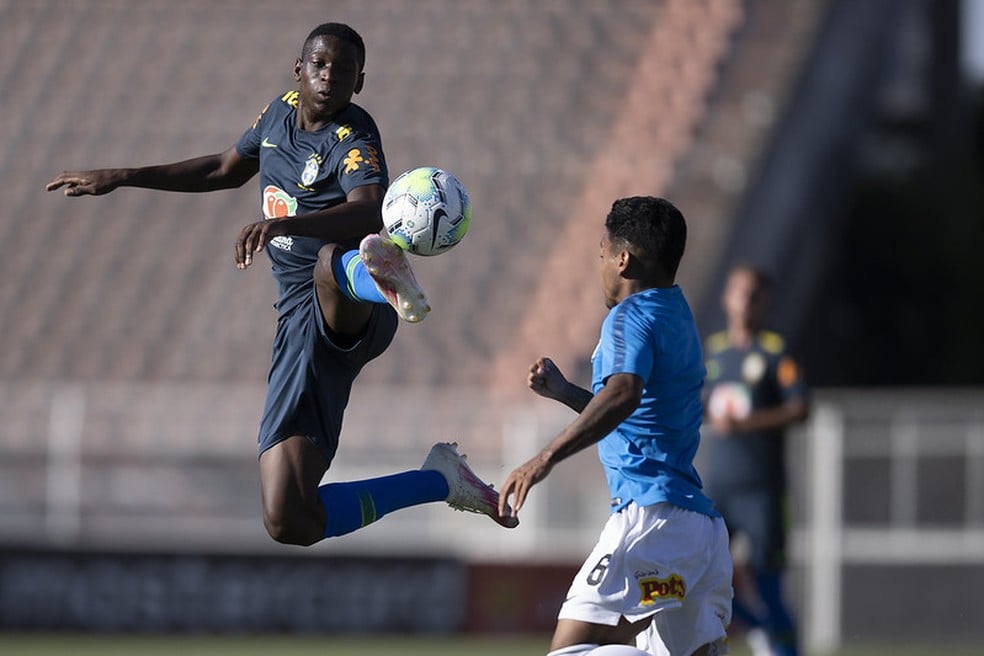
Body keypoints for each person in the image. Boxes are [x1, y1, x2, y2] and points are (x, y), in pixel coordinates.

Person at [46, 22, 517, 546]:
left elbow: (365, 208)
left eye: (345, 70)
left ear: (360, 83)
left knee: (330, 261)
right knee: (288, 518)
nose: (330, 76)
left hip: (349, 305)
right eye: (320, 64)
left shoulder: (354, 136)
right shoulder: (277, 114)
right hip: (299, 325)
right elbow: (225, 167)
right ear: (299, 69)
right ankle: (440, 480)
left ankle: (380, 273)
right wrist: (121, 176)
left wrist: (286, 225)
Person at [498, 197, 732, 656]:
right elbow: (636, 414)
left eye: (601, 255)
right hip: (698, 528)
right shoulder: (676, 314)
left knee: (571, 652)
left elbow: (623, 395)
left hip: (651, 518)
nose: (601, 266)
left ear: (622, 259)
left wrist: (542, 460)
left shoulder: (629, 316)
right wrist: (567, 393)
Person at [700, 264, 810, 656]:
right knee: (703, 575)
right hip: (719, 489)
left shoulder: (775, 352)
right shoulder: (713, 352)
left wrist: (749, 421)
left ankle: (779, 642)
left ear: (766, 302)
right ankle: (760, 630)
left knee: (769, 587)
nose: (745, 302)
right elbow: (697, 406)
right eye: (739, 293)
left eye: (754, 295)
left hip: (763, 490)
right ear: (726, 298)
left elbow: (801, 408)